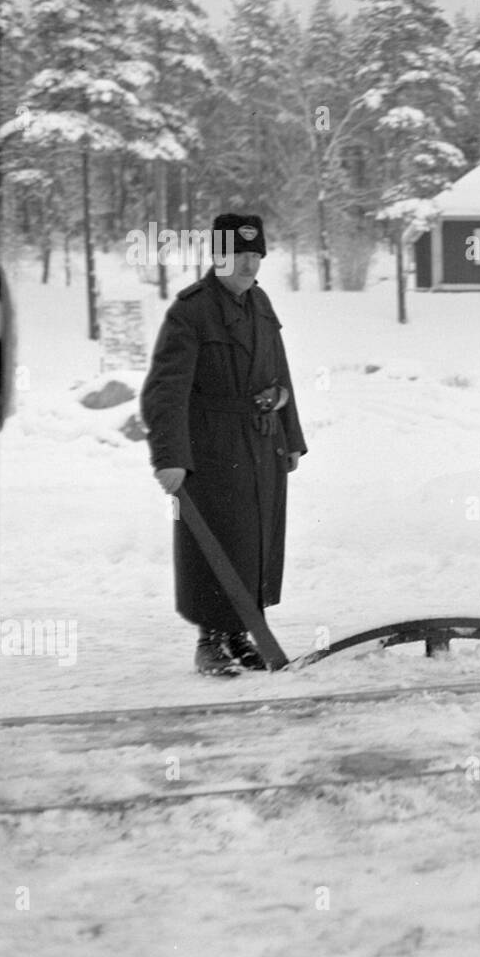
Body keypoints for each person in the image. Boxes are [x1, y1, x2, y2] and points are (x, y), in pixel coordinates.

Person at [140, 214, 306, 676]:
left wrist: (291, 436)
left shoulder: (261, 303)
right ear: (218, 257)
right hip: (212, 447)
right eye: (240, 257)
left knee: (255, 544)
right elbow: (164, 391)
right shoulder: (191, 311)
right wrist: (170, 458)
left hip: (263, 444)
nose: (250, 266)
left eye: (256, 257)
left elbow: (280, 370)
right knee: (217, 542)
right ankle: (209, 643)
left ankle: (241, 635)